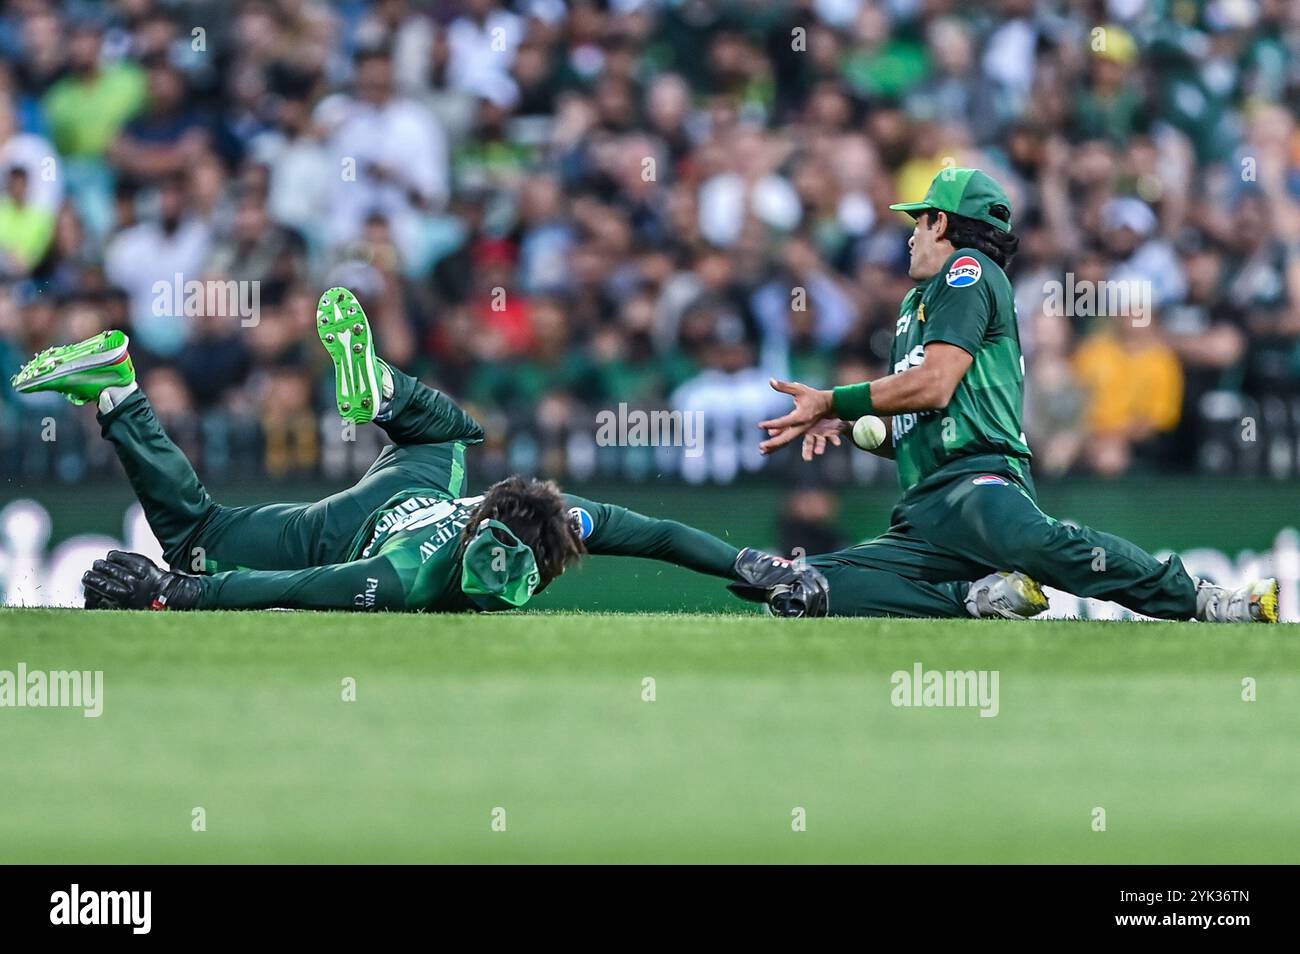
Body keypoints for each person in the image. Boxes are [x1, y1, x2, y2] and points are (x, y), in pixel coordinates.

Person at [10, 288, 818, 614]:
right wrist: (178, 591)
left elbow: (665, 536)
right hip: (359, 528)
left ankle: (387, 393)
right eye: (494, 559)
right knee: (196, 540)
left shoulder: (554, 516)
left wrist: (746, 561)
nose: (490, 578)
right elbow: (302, 585)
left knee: (456, 433)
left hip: (429, 476)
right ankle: (117, 389)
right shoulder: (408, 576)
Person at [753, 168, 1278, 623]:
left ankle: (1203, 599)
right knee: (805, 585)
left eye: (919, 220)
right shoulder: (915, 304)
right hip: (923, 506)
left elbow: (934, 384)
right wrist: (852, 426)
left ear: (942, 222)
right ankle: (972, 598)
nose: (910, 235)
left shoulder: (968, 273)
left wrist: (832, 401)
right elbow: (919, 421)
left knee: (1037, 542)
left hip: (975, 481)